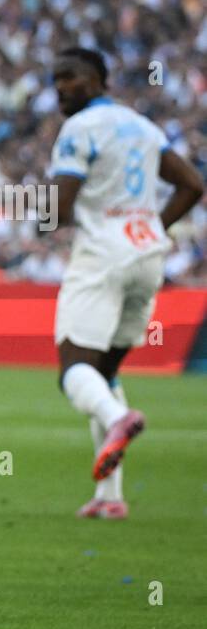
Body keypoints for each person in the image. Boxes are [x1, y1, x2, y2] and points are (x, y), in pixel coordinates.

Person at [47, 47, 204, 519]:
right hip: (146, 255)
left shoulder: (79, 128)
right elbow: (194, 185)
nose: (60, 88)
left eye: (69, 77)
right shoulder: (143, 126)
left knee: (73, 369)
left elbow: (60, 206)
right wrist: (154, 226)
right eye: (55, 79)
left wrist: (39, 213)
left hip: (102, 256)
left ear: (97, 79)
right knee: (104, 373)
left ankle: (120, 419)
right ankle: (110, 497)